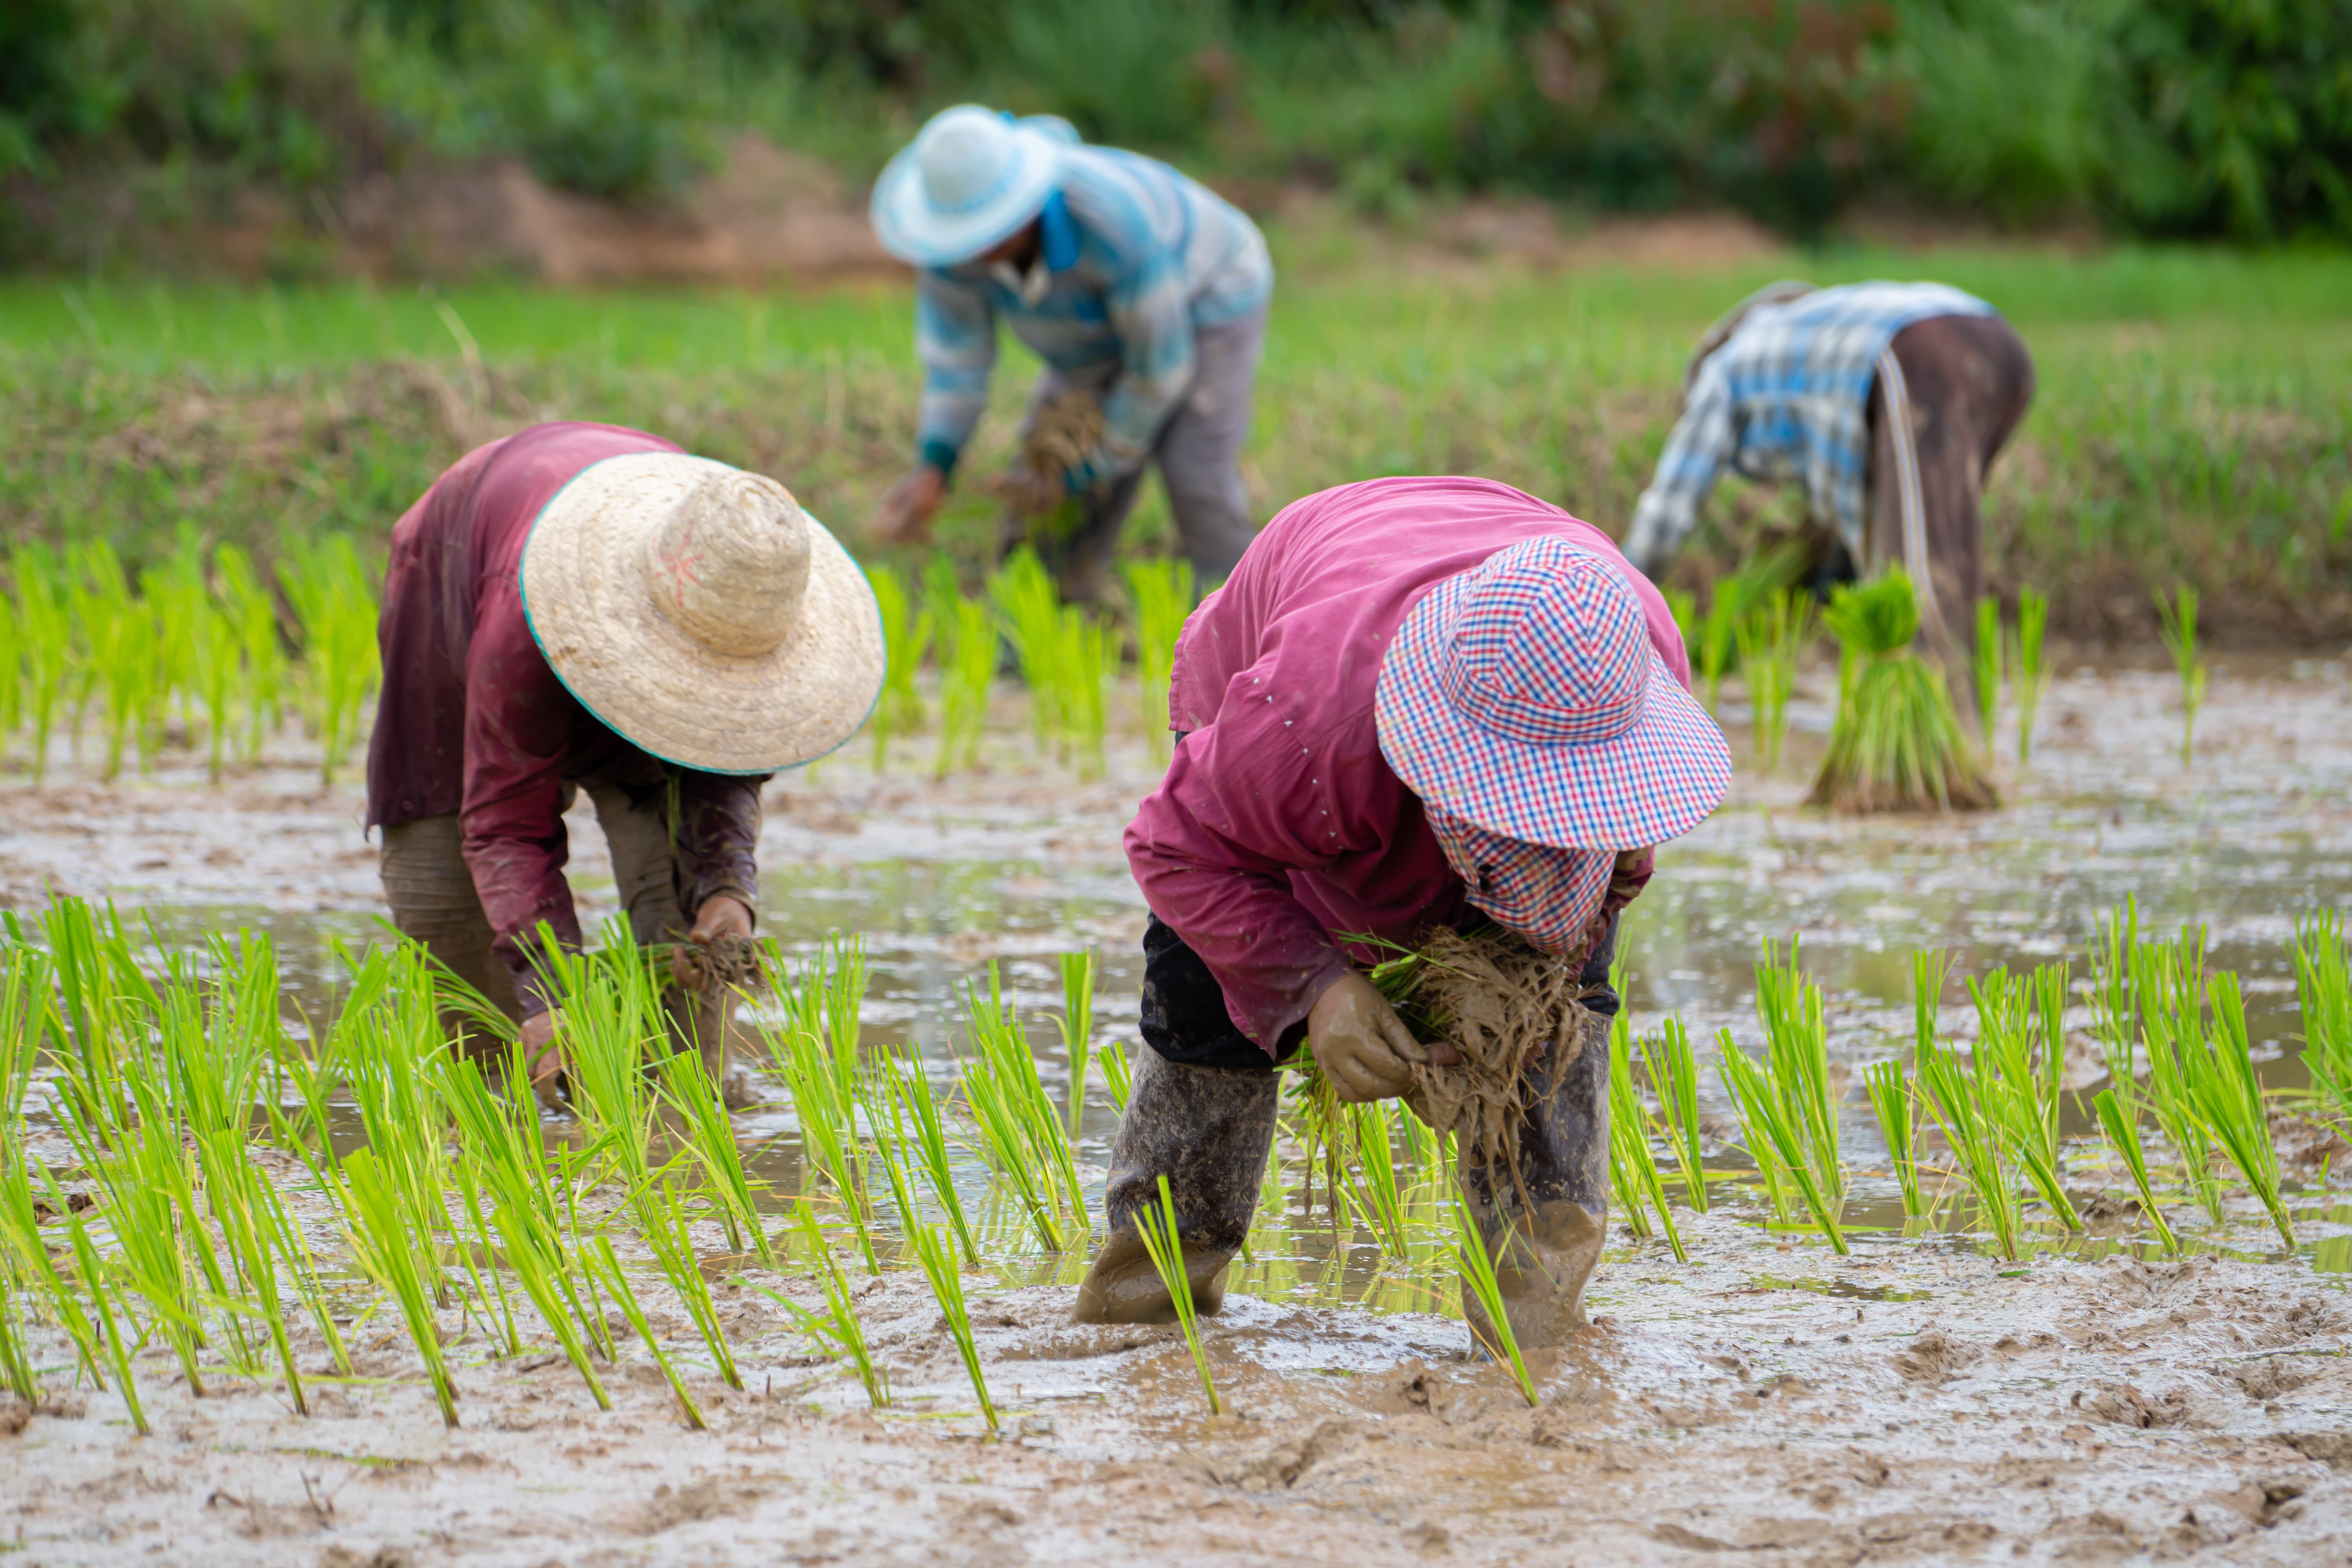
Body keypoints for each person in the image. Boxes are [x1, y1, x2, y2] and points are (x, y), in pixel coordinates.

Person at [1079, 476, 1732, 1345]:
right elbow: (1179, 848)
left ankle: (1533, 1332)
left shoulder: (1633, 665)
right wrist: (1316, 987)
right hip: (1326, 613)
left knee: (1554, 1025)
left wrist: (1505, 1013)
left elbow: (1618, 872)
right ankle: (1147, 1307)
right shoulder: (1302, 724)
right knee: (1209, 994)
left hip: (1498, 591)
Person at [365, 421, 885, 1105]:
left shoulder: (747, 582)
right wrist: (547, 994)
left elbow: (723, 765)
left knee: (690, 968)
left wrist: (727, 890)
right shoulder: (521, 622)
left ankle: (682, 1120)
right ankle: (501, 1114)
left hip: (633, 559)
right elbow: (505, 824)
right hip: (467, 562)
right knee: (444, 893)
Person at [867, 104, 1274, 600]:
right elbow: (958, 365)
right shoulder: (950, 255)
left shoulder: (1108, 223)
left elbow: (1158, 371)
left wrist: (1091, 468)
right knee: (1049, 462)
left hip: (1208, 287)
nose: (975, 251)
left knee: (1194, 468)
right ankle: (1040, 624)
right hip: (1094, 318)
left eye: (986, 232)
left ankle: (1239, 632)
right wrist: (936, 466)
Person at [1620, 280, 2035, 662]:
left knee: (1915, 571)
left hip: (1918, 354)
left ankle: (1936, 713)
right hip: (2003, 349)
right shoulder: (1798, 337)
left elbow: (1670, 509)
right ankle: (1956, 703)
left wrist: (1627, 588)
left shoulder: (1719, 375)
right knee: (1943, 537)